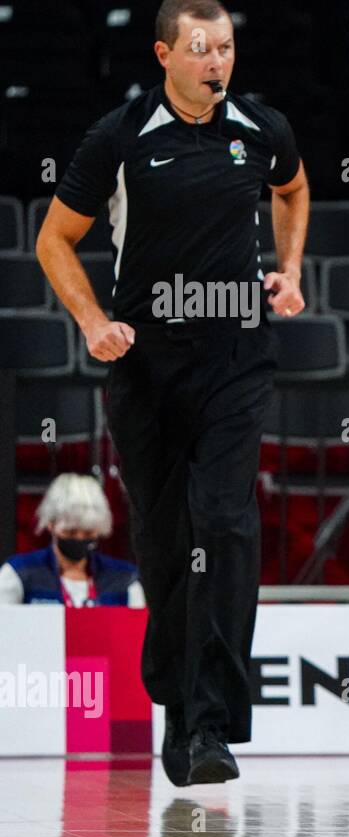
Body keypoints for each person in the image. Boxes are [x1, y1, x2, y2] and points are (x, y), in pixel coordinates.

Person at [34, 0, 309, 787]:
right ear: (165, 54)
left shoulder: (260, 127)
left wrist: (290, 269)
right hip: (146, 366)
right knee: (164, 542)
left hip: (236, 355)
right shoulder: (119, 136)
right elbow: (54, 239)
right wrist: (91, 320)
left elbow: (293, 192)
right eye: (200, 49)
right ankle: (181, 715)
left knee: (223, 524)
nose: (217, 62)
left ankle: (212, 725)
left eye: (225, 47)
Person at [0, 474, 145, 608]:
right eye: (71, 532)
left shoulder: (125, 578)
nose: (79, 538)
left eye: (88, 532)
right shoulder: (18, 572)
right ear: (51, 524)